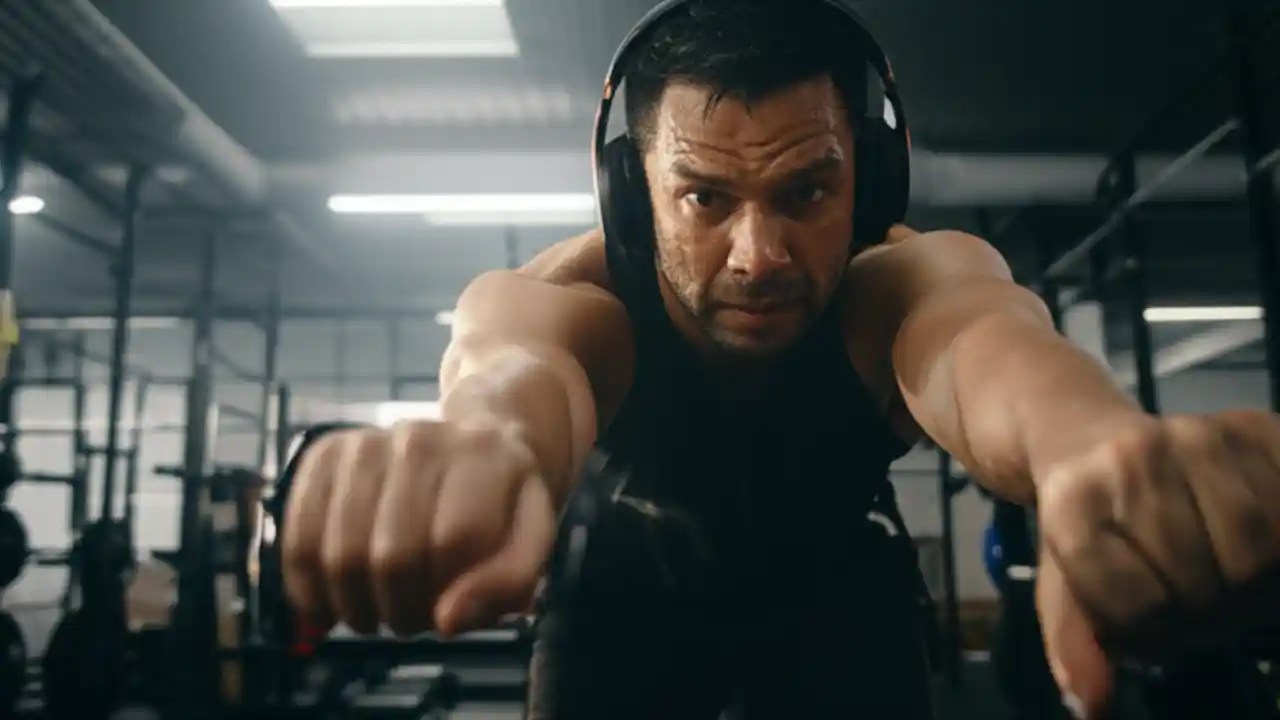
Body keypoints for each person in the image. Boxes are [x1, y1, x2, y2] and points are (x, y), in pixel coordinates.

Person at [280, 1, 1280, 718]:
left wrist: (1081, 444)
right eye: (704, 198)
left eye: (806, 192)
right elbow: (516, 368)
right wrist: (482, 443)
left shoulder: (895, 284)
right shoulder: (585, 297)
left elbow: (982, 339)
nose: (758, 256)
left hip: (833, 587)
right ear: (634, 197)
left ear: (867, 181)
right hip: (624, 591)